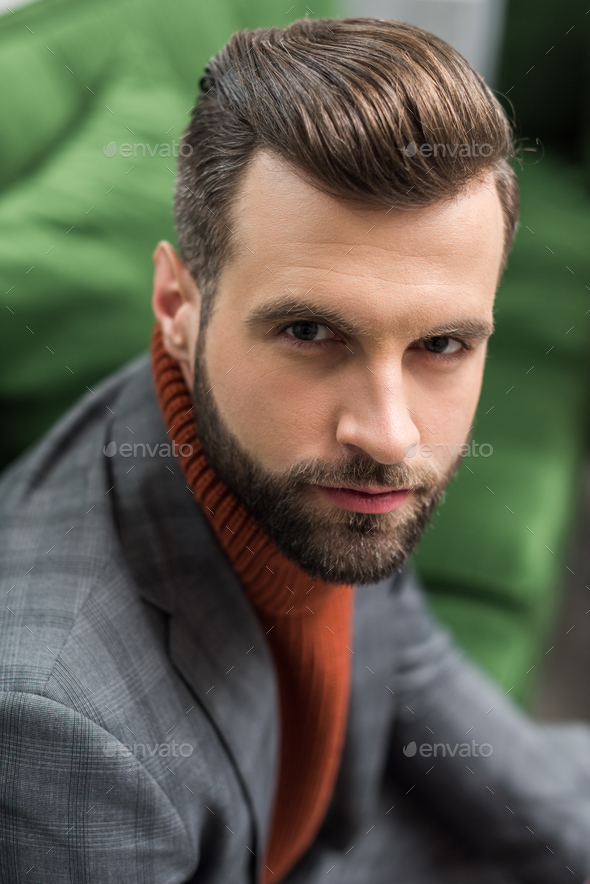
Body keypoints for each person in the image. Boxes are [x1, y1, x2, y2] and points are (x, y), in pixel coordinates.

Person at [1, 17, 590, 884]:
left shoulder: (322, 473)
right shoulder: (63, 737)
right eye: (311, 331)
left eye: (442, 345)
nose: (389, 436)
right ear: (177, 305)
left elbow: (410, 662)